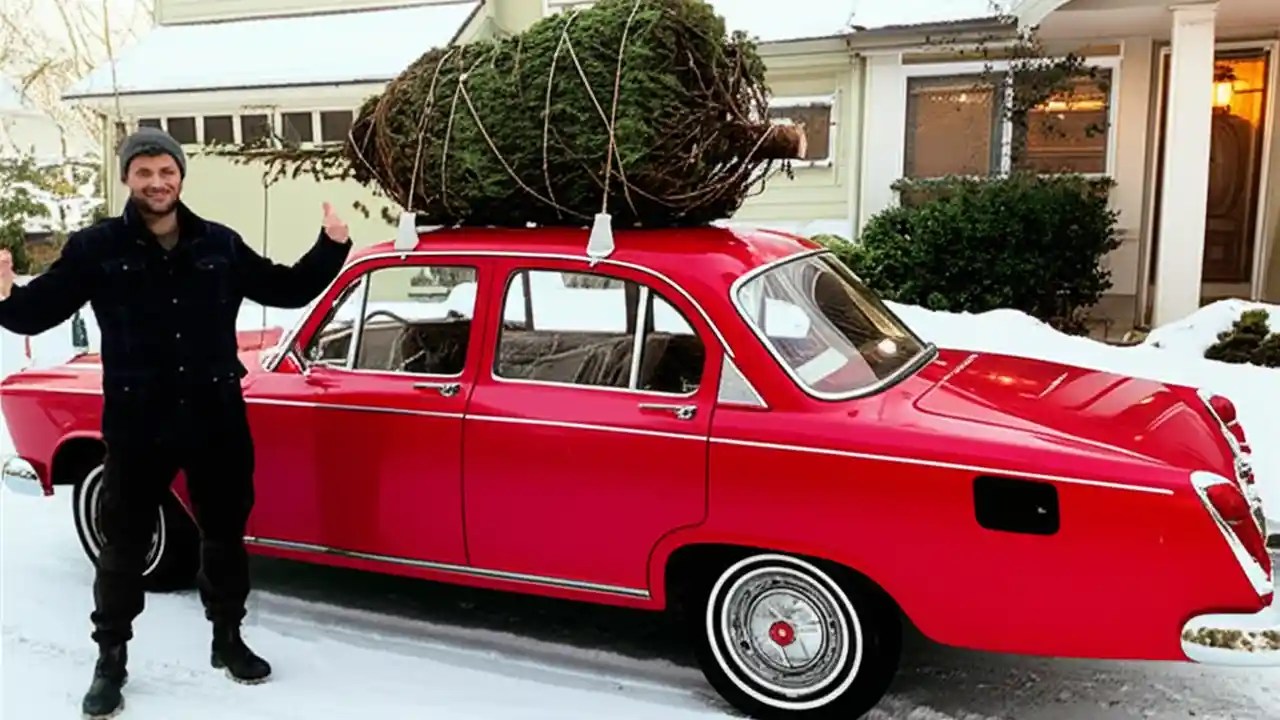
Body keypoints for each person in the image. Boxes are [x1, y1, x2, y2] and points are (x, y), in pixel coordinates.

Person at [0, 126, 353, 718]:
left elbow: (286, 288)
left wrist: (331, 246)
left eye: (167, 172)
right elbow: (40, 311)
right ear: (126, 179)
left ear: (181, 177)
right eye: (144, 173)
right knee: (123, 546)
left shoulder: (219, 243)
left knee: (223, 533)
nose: (157, 182)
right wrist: (5, 294)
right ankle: (110, 658)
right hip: (138, 421)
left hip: (215, 413)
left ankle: (228, 639)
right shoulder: (96, 248)